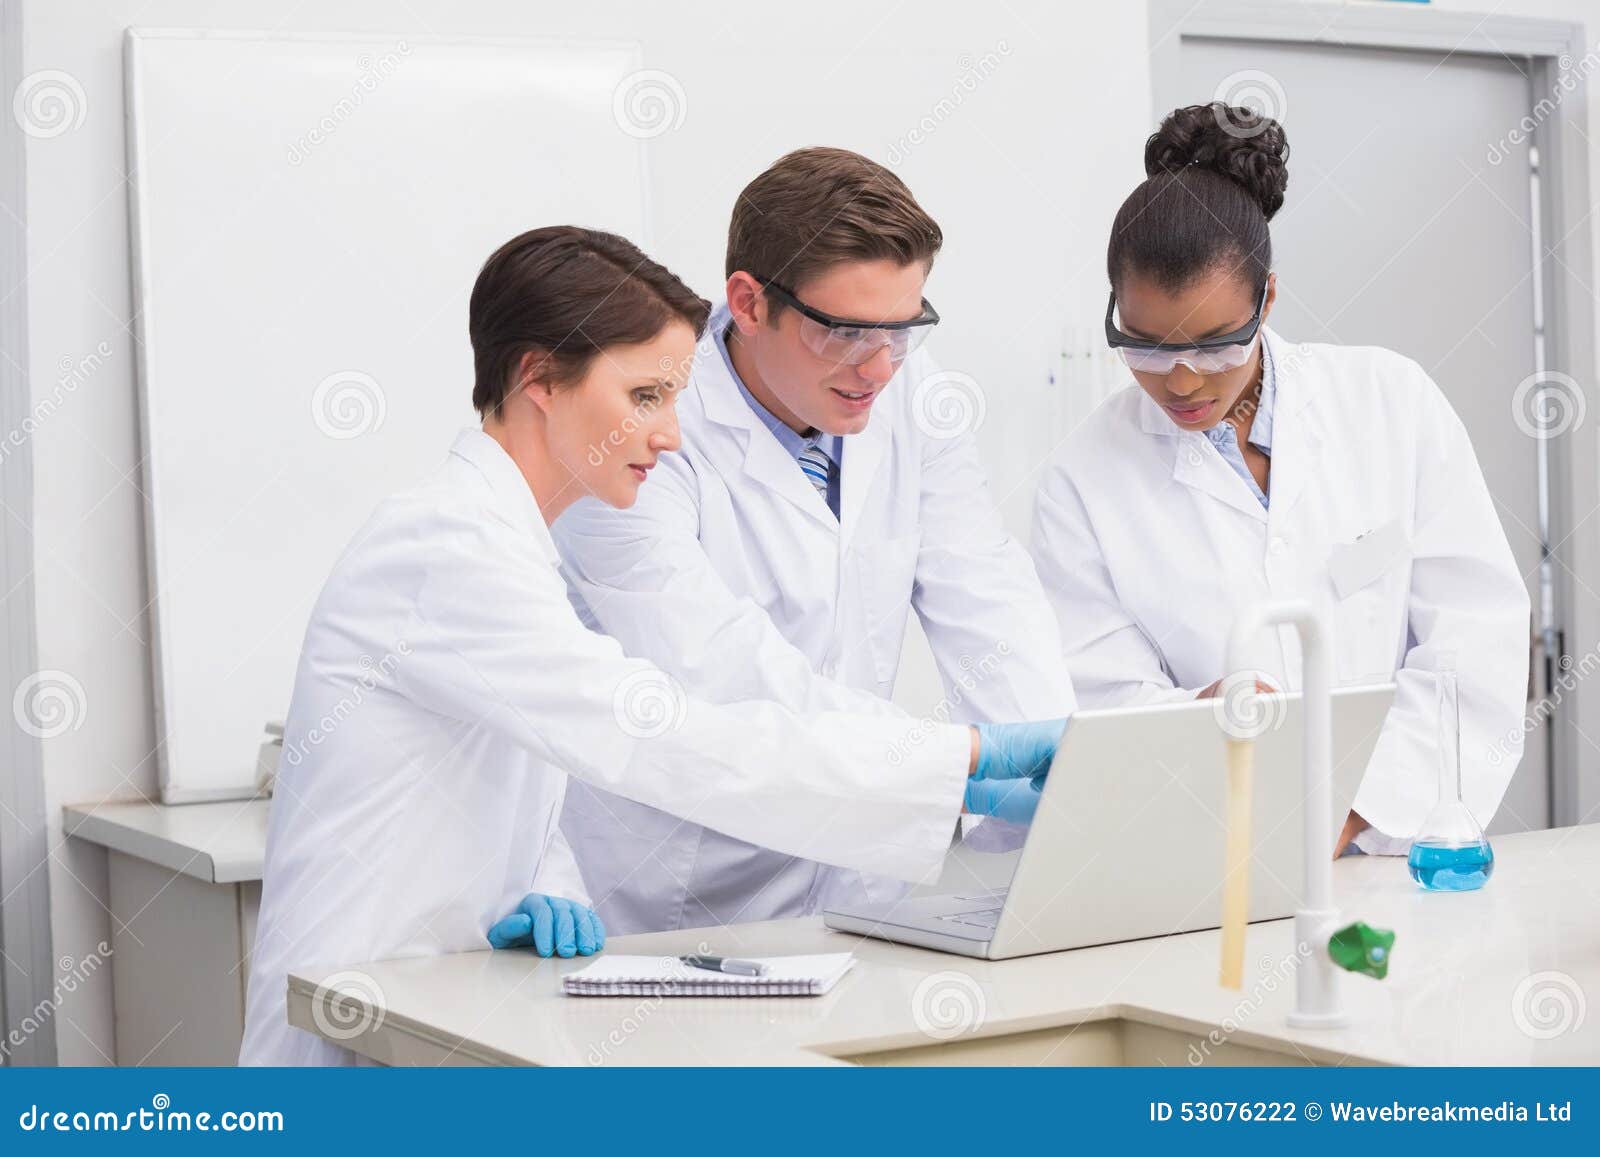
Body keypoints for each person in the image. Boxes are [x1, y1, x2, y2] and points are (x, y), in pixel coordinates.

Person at [239, 226, 1061, 1065]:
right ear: (539, 379)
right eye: (644, 397)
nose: (670, 435)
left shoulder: (515, 544)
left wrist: (545, 885)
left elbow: (516, 780)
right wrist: (956, 757)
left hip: (436, 1014)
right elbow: (663, 736)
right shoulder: (447, 545)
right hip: (348, 1031)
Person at [552, 148, 1078, 935]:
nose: (879, 368)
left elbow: (985, 590)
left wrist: (1070, 793)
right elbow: (714, 668)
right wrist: (954, 760)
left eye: (904, 331)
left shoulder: (912, 395)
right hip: (673, 894)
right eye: (848, 332)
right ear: (751, 302)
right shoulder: (642, 425)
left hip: (856, 888)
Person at [1031, 103, 1528, 856]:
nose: (1184, 379)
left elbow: (1475, 640)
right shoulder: (1082, 478)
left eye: (1215, 344)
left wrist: (1347, 814)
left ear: (1266, 300)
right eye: (1146, 346)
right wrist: (1189, 718)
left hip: (1390, 853)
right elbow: (1096, 696)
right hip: (1211, 859)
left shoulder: (1391, 401)